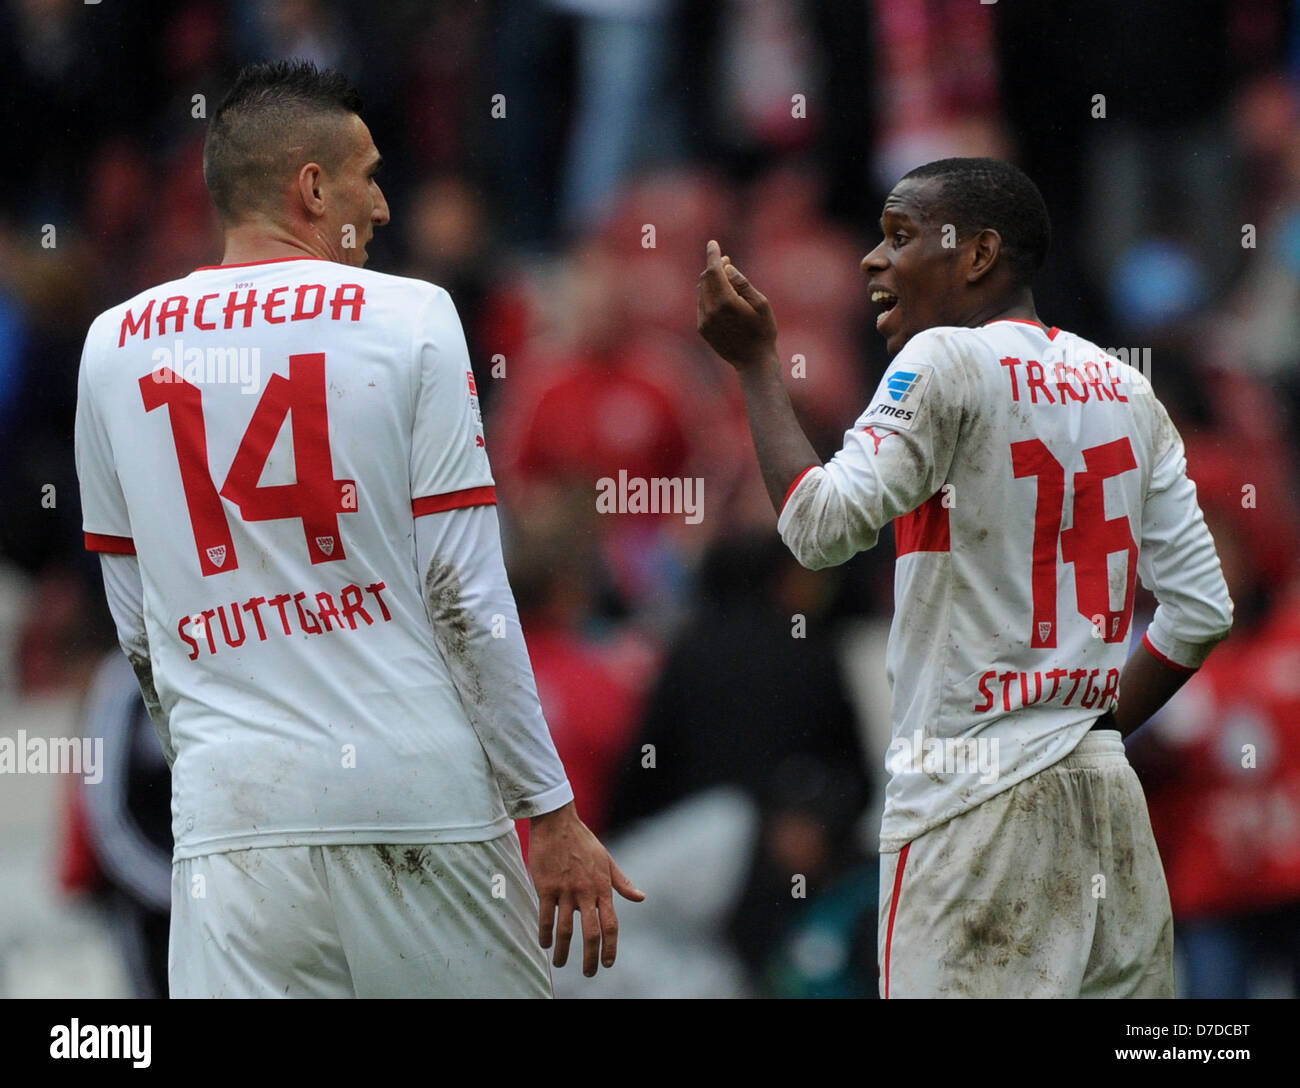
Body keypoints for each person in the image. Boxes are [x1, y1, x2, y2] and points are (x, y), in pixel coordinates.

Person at [74, 59, 641, 998]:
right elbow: (467, 595)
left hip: (232, 826)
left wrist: (214, 768)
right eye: (369, 177)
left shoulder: (112, 344)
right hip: (415, 799)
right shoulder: (412, 317)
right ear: (311, 187)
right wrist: (549, 809)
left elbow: (139, 631)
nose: (382, 207)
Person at [696, 157, 1233, 998]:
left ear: (979, 255)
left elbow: (820, 531)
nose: (873, 260)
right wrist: (1086, 729)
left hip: (969, 802)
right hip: (1109, 808)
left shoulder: (943, 359)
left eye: (901, 236)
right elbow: (1200, 612)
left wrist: (758, 365)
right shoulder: (1130, 390)